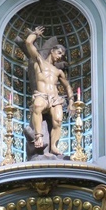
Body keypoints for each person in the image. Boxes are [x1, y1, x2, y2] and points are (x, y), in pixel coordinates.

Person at [25, 25, 75, 156]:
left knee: (58, 120)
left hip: (55, 98)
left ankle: (53, 146)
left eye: (62, 56)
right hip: (42, 95)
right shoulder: (40, 62)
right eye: (59, 53)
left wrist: (71, 102)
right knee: (37, 105)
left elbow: (68, 86)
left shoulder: (58, 71)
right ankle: (38, 136)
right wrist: (35, 33)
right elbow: (28, 43)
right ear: (52, 50)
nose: (60, 57)